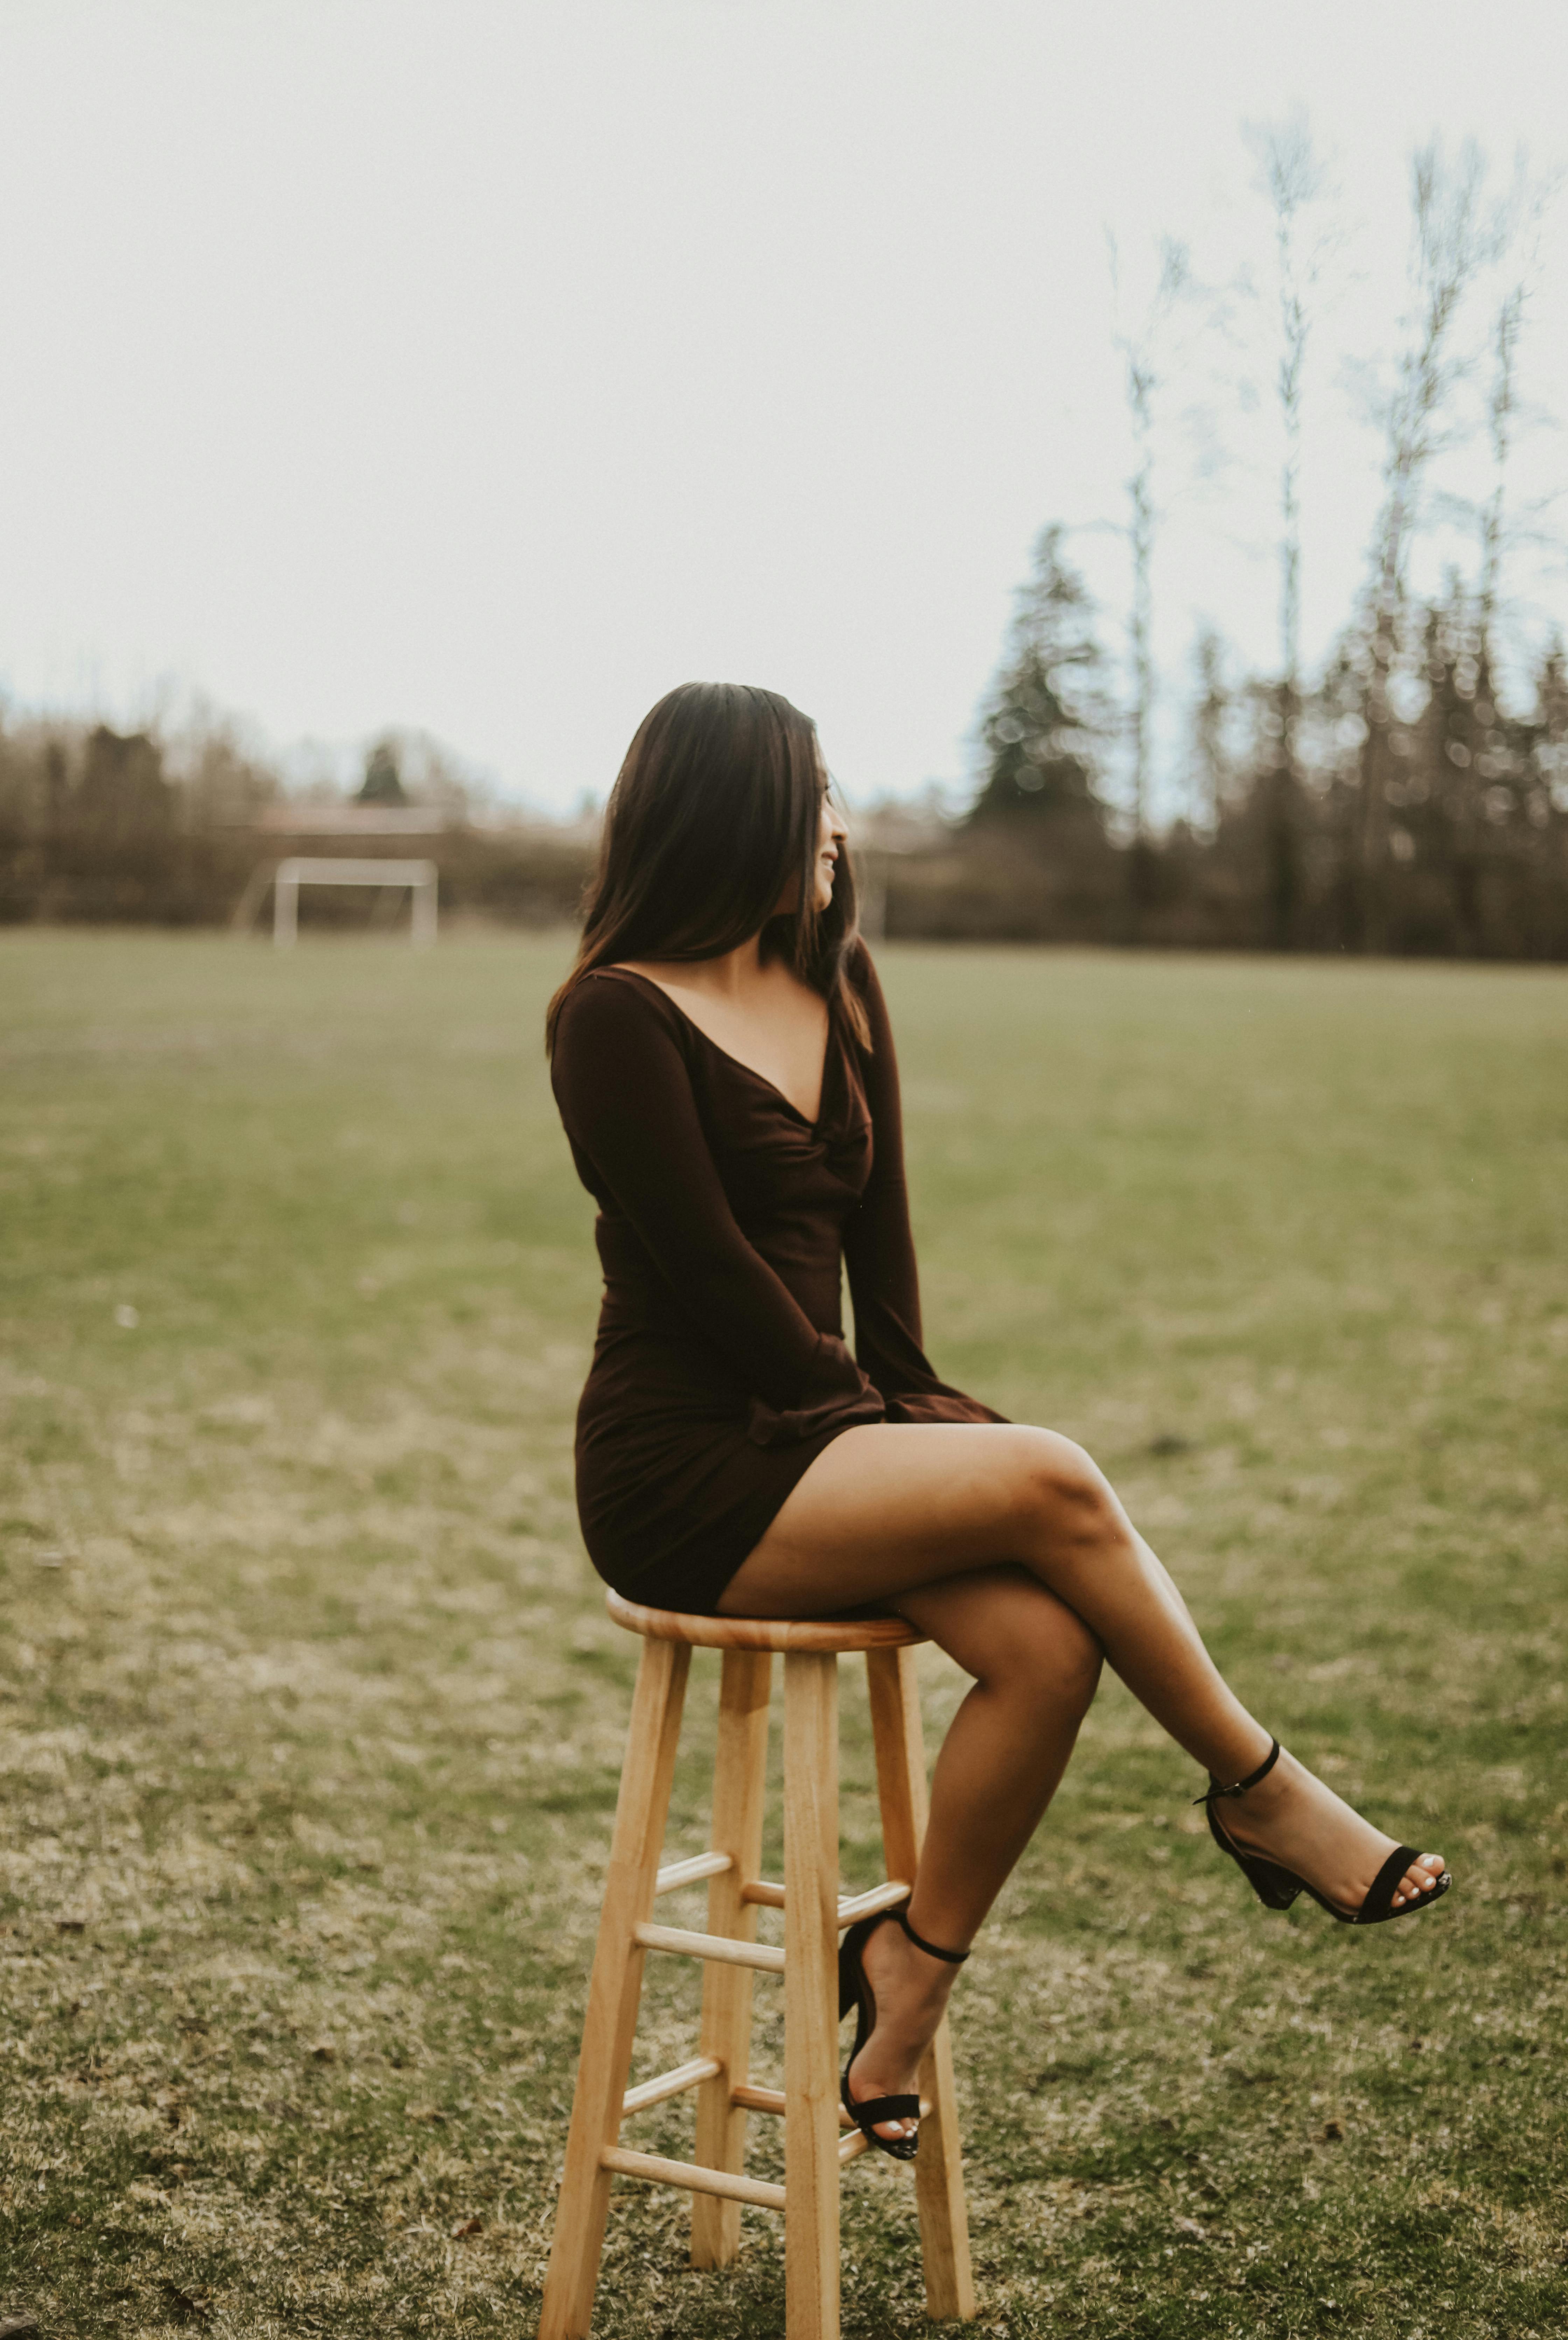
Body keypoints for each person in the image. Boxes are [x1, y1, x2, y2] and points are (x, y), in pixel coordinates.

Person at [546, 680, 1450, 2157]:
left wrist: (916, 1406)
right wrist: (902, 1438)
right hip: (688, 1468)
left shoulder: (838, 979)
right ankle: (1262, 1793)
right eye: (814, 792)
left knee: (1044, 1649)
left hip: (823, 1434)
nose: (837, 826)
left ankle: (901, 1986)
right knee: (1056, 1482)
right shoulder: (611, 1018)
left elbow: (878, 1257)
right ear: (735, 813)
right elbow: (717, 1286)